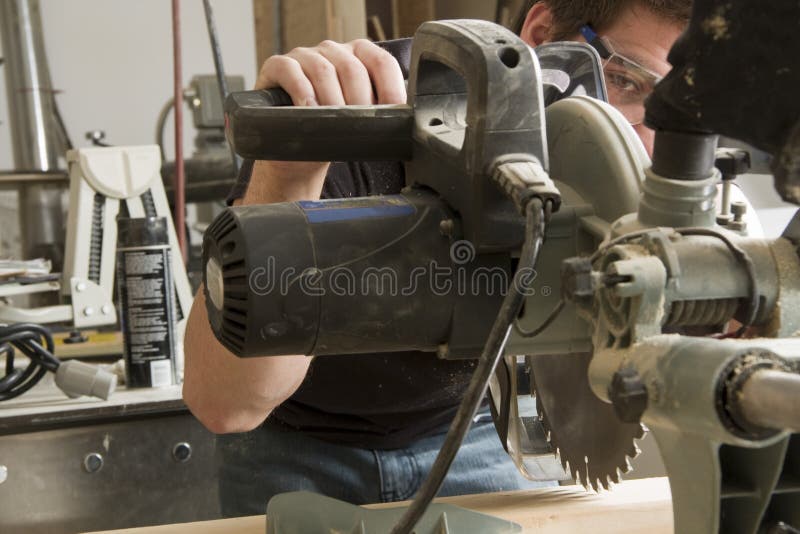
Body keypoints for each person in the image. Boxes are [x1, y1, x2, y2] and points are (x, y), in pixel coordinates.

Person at [183, 0, 691, 517]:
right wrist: (289, 176)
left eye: (677, 109)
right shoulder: (361, 107)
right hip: (297, 446)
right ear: (541, 35)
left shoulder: (661, 169)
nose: (647, 138)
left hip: (474, 430)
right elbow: (224, 402)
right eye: (627, 80)